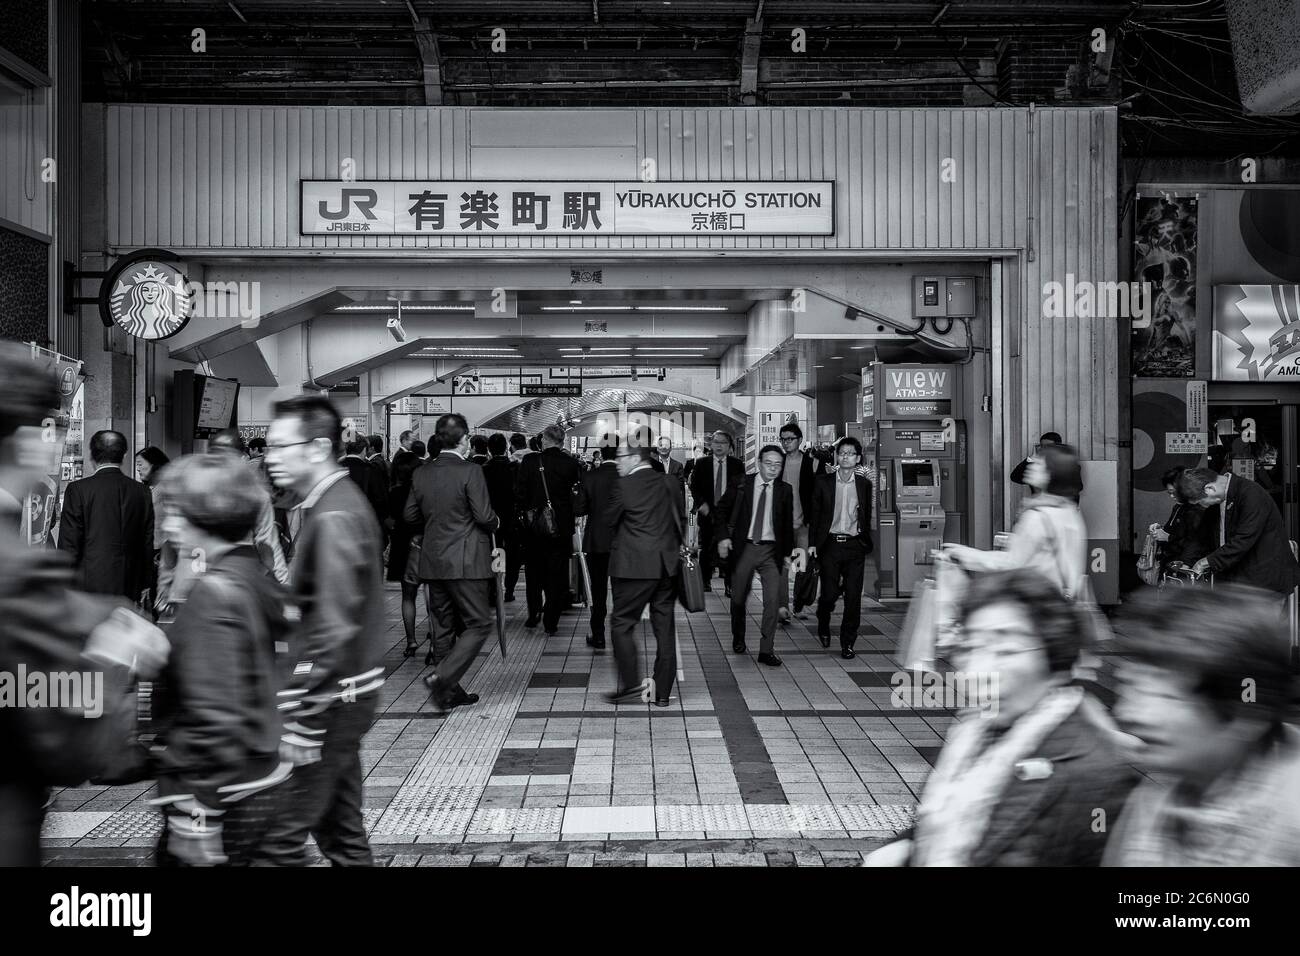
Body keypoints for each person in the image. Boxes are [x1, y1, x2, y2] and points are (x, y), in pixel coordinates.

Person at [0, 345, 169, 866]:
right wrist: (117, 637)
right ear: (41, 435)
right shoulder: (19, 570)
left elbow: (68, 545)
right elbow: (57, 717)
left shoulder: (74, 496)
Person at [864, 569, 1137, 867]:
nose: (979, 672)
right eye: (972, 649)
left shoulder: (1093, 772)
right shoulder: (974, 731)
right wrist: (903, 849)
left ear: (1055, 657)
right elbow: (942, 822)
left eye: (1006, 650)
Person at [259, 395, 386, 866]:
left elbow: (331, 627)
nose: (270, 458)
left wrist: (306, 718)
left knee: (281, 836)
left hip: (332, 700)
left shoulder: (332, 514)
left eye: (278, 447)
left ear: (317, 448)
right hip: (346, 692)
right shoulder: (330, 503)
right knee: (341, 831)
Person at [151, 454, 290, 867]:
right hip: (264, 779)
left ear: (205, 517)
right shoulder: (254, 574)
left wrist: (200, 815)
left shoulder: (212, 594)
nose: (168, 525)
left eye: (176, 512)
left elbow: (215, 714)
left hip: (225, 796)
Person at [1107, 583, 1300, 865]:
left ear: (1244, 715)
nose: (1132, 714)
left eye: (1167, 695)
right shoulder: (1160, 791)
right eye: (1133, 687)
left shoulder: (1291, 820)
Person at [404, 413, 499, 711]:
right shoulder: (471, 471)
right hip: (467, 560)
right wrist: (496, 522)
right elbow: (484, 516)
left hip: (433, 560)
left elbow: (409, 515)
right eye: (468, 437)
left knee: (442, 625)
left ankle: (449, 692)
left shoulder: (422, 472)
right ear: (462, 440)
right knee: (479, 623)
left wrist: (432, 524)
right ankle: (442, 678)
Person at [945, 444, 1088, 602]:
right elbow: (1050, 550)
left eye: (1039, 464)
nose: (1032, 466)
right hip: (1061, 601)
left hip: (1037, 605)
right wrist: (1016, 540)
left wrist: (966, 555)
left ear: (1051, 473)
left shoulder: (1038, 516)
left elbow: (1011, 563)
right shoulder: (1068, 510)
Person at [605, 426, 684, 706]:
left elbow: (608, 522)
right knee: (665, 630)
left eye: (621, 456)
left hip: (633, 568)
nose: (617, 462)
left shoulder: (624, 486)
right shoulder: (671, 482)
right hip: (666, 567)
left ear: (636, 458)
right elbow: (680, 522)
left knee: (622, 624)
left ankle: (629, 684)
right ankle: (662, 693)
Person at [718, 444, 794, 666]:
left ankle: (766, 649)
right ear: (759, 463)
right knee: (739, 598)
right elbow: (721, 511)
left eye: (778, 465)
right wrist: (723, 537)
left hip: (772, 552)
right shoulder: (741, 484)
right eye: (768, 463)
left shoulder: (785, 490)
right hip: (745, 549)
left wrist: (787, 554)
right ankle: (738, 637)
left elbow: (787, 525)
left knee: (772, 601)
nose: (773, 469)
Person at [59, 429, 156, 603]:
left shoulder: (78, 490)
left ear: (92, 456)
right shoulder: (142, 492)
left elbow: (69, 544)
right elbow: (147, 541)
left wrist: (63, 584)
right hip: (130, 583)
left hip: (89, 585)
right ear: (124, 456)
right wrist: (145, 582)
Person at [1176, 466, 1300, 602]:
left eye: (1200, 502)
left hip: (1264, 580)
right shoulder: (1217, 500)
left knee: (1258, 623)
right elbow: (1200, 537)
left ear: (1210, 488)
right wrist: (1185, 563)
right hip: (1238, 580)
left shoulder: (1251, 493)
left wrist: (1204, 563)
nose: (1202, 506)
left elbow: (1243, 541)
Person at [808, 436, 874, 659]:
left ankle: (848, 642)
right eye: (842, 453)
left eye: (850, 453)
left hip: (855, 546)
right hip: (830, 546)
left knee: (854, 597)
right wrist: (812, 545)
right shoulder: (823, 482)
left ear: (857, 458)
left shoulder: (864, 485)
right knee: (829, 594)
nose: (845, 457)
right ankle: (823, 618)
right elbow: (815, 516)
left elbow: (866, 515)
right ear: (837, 456)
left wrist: (865, 541)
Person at [516, 423, 582, 635]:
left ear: (543, 440)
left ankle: (533, 613)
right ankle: (551, 619)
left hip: (534, 527)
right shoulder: (571, 464)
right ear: (562, 442)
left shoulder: (529, 461)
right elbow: (576, 494)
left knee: (534, 571)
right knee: (558, 572)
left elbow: (519, 493)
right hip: (561, 527)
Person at [207, 428, 289, 586]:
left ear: (242, 458)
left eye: (227, 457)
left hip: (238, 581)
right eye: (215, 457)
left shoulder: (256, 496)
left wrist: (283, 587)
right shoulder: (194, 491)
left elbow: (268, 544)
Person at [574, 433, 620, 649]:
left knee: (598, 588)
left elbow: (580, 508)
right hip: (623, 541)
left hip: (596, 540)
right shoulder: (626, 476)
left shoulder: (591, 477)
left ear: (601, 452)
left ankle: (598, 634)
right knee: (621, 588)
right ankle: (621, 633)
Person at [688, 430, 744, 596]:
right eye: (716, 442)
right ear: (711, 445)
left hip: (729, 515)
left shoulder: (736, 465)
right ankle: (705, 579)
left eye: (723, 443)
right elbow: (694, 487)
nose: (719, 445)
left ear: (729, 447)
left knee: (730, 548)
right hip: (708, 512)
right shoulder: (702, 463)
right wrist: (701, 505)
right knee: (706, 547)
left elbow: (741, 489)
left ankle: (729, 584)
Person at [777, 423, 816, 621]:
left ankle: (798, 605)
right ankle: (783, 608)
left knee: (802, 566)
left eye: (790, 439)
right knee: (782, 566)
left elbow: (817, 496)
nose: (786, 442)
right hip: (782, 526)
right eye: (783, 439)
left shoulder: (811, 464)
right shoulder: (778, 463)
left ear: (799, 440)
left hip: (803, 526)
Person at [388, 452, 425, 658]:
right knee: (432, 594)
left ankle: (411, 641)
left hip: (403, 548)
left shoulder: (394, 493)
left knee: (408, 596)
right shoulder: (424, 492)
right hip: (425, 545)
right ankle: (435, 638)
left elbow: (390, 520)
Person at [1147, 466, 1216, 573]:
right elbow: (1174, 531)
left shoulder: (1196, 510)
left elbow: (1196, 543)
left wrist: (1168, 538)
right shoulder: (1178, 507)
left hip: (1184, 566)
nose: (1171, 496)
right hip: (1172, 563)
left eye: (1173, 492)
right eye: (1169, 493)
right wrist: (1160, 529)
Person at [482, 432, 521, 602]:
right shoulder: (515, 468)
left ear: (489, 450)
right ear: (506, 448)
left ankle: (494, 589)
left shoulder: (483, 469)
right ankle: (509, 590)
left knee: (495, 553)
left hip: (491, 519)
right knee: (513, 555)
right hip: (512, 518)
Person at [341, 436, 388, 534]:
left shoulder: (336, 468)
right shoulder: (370, 470)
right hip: (363, 525)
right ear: (364, 449)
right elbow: (380, 499)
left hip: (339, 524)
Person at [135, 445, 171, 559]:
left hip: (161, 548)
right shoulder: (151, 487)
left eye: (140, 464)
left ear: (153, 463)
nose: (138, 468)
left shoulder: (166, 486)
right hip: (151, 545)